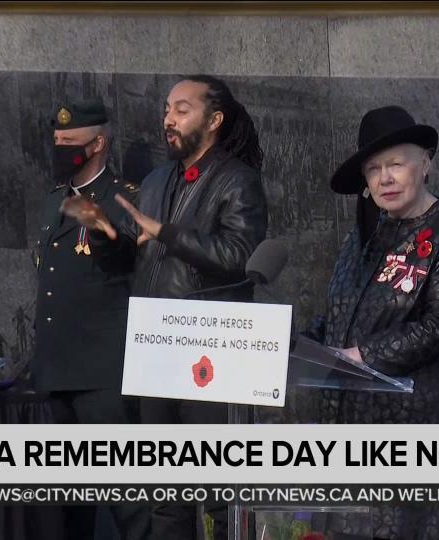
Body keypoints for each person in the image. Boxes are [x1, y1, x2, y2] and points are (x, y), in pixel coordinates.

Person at [76, 74, 267, 539]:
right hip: (157, 349)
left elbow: (237, 256)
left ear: (214, 119)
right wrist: (106, 239)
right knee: (165, 494)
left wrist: (167, 233)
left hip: (213, 351)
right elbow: (137, 253)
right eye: (166, 109)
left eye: (182, 109)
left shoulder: (239, 181)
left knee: (224, 495)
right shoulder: (158, 179)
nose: (169, 118)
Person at [308, 106, 439, 539]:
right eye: (373, 169)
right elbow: (339, 314)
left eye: (395, 164)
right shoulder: (360, 239)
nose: (384, 178)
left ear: (425, 163)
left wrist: (363, 355)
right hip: (354, 440)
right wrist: (295, 345)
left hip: (421, 439)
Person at [32, 98, 148, 540]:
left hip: (102, 373)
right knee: (67, 504)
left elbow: (123, 256)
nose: (60, 150)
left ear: (98, 144)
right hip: (56, 370)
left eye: (71, 143)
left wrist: (103, 228)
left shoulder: (122, 199)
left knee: (129, 500)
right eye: (57, 142)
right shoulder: (53, 202)